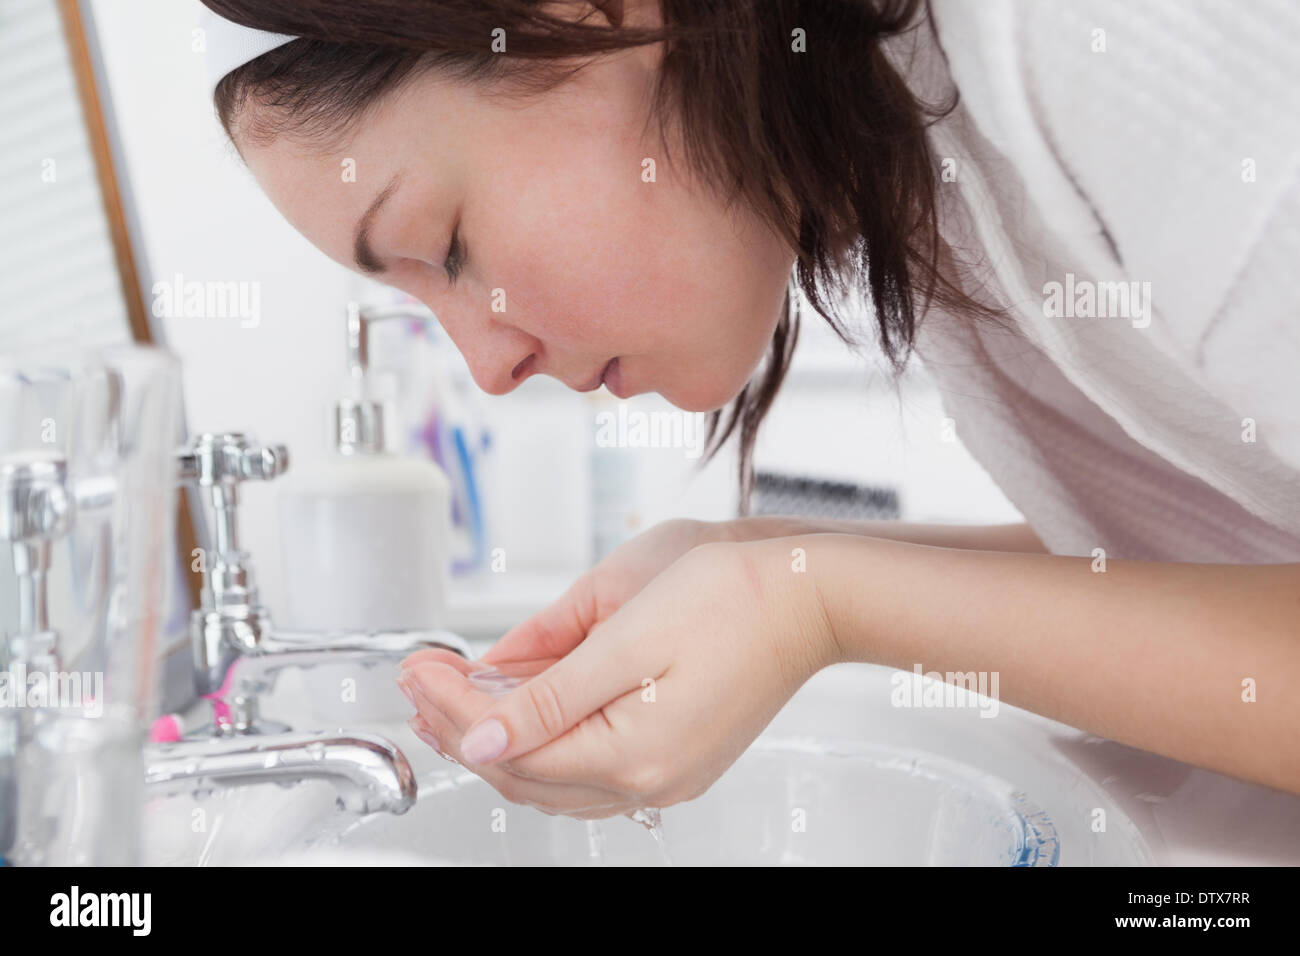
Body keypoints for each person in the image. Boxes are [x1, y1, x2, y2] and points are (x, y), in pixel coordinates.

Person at [198, 0, 1300, 815]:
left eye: (444, 247)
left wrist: (815, 602)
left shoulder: (1080, 33)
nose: (484, 366)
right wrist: (760, 562)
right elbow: (1225, 565)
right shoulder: (907, 139)